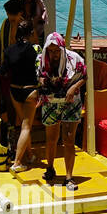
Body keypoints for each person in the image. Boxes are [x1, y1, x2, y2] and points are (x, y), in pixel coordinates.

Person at [0, 19, 40, 173]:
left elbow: (3, 72)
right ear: (31, 33)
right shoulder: (34, 49)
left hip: (14, 90)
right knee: (26, 126)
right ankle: (17, 163)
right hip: (30, 90)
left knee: (23, 124)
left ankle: (29, 155)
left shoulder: (9, 50)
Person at [35, 33, 86, 191]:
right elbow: (37, 76)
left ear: (62, 48)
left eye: (56, 51)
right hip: (50, 102)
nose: (54, 54)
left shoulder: (75, 58)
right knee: (51, 138)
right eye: (50, 51)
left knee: (69, 140)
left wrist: (73, 87)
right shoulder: (40, 60)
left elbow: (85, 75)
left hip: (71, 103)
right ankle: (50, 168)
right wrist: (42, 81)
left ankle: (69, 177)